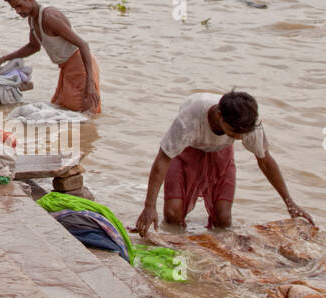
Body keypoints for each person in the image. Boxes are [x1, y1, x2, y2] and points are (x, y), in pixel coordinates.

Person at [133, 91, 313, 233]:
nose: (240, 138)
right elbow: (163, 160)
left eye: (241, 135)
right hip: (188, 150)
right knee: (173, 214)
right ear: (219, 115)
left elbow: (265, 162)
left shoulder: (247, 124)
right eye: (234, 134)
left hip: (221, 153)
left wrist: (290, 203)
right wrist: (149, 207)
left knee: (223, 218)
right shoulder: (190, 118)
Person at [0, 0, 100, 113]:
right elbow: (33, 47)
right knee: (65, 109)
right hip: (67, 68)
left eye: (19, 6)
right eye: (14, 8)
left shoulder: (49, 17)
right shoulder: (32, 19)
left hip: (81, 66)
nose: (18, 11)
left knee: (83, 113)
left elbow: (83, 45)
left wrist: (90, 83)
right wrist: (2, 59)